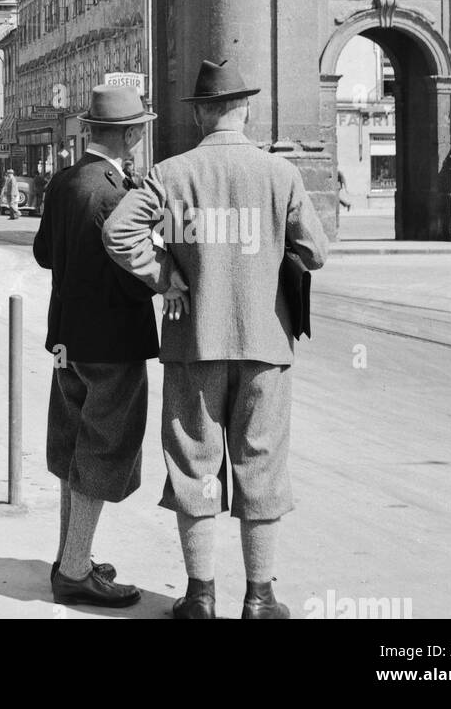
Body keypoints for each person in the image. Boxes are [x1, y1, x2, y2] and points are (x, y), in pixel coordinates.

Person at [103, 59, 328, 620]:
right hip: (264, 347)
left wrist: (164, 274)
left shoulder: (171, 173)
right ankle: (259, 598)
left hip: (192, 343)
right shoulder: (281, 174)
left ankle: (200, 596)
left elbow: (117, 231)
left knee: (196, 465)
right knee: (262, 464)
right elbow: (316, 252)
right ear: (245, 109)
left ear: (201, 113)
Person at [34, 83, 172, 608]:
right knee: (100, 450)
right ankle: (74, 570)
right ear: (131, 134)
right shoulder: (116, 195)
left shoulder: (66, 182)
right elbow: (134, 278)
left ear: (92, 132)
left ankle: (72, 555)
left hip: (67, 338)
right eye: (140, 131)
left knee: (72, 448)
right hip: (110, 344)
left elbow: (45, 254)